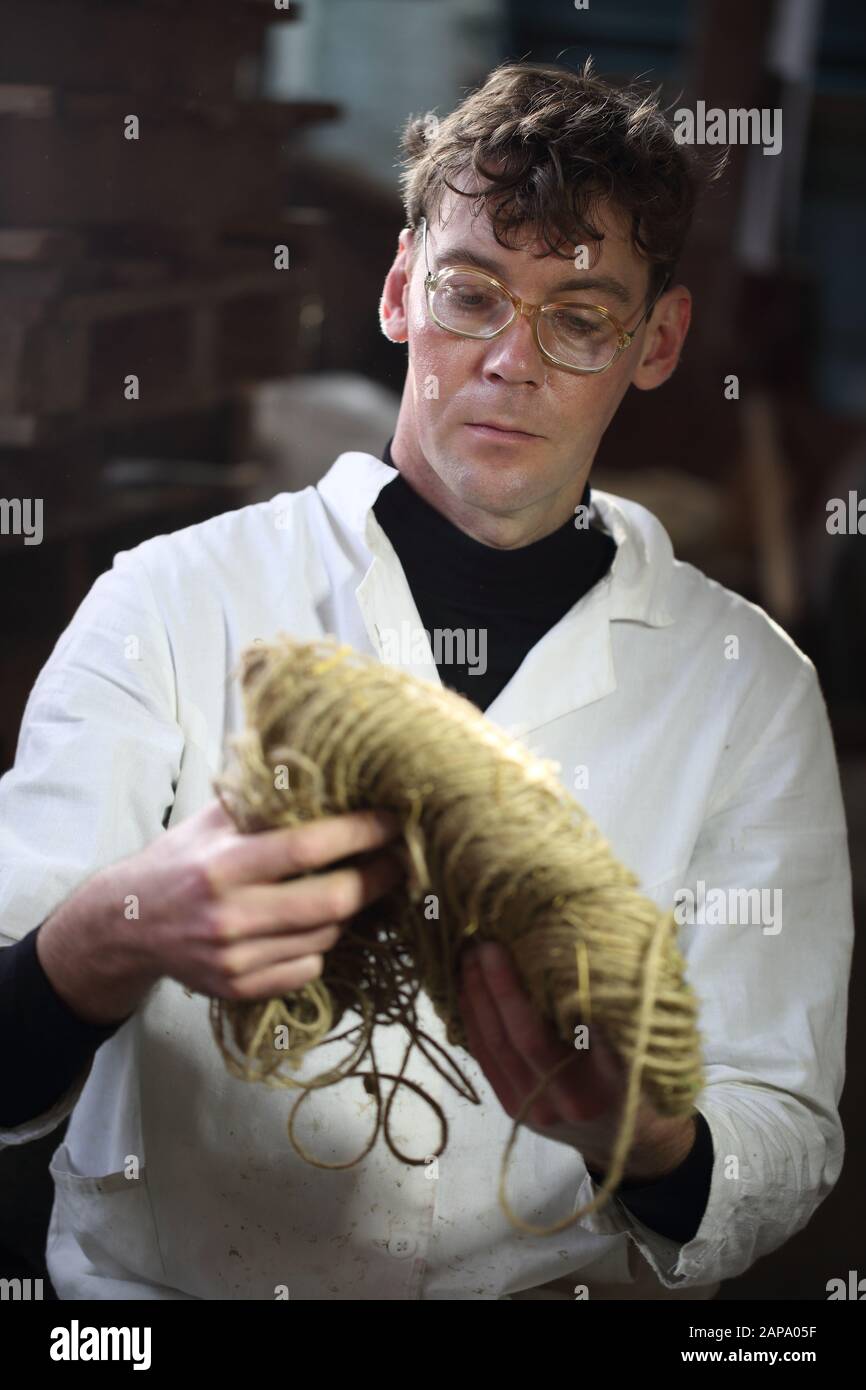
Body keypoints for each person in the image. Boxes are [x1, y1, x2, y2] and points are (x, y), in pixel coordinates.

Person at [0, 59, 852, 1301]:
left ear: (657, 341)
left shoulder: (746, 689)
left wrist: (651, 1140)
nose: (511, 360)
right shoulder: (169, 600)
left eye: (577, 316)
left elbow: (782, 1123)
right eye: (471, 296)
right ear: (400, 290)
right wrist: (104, 933)